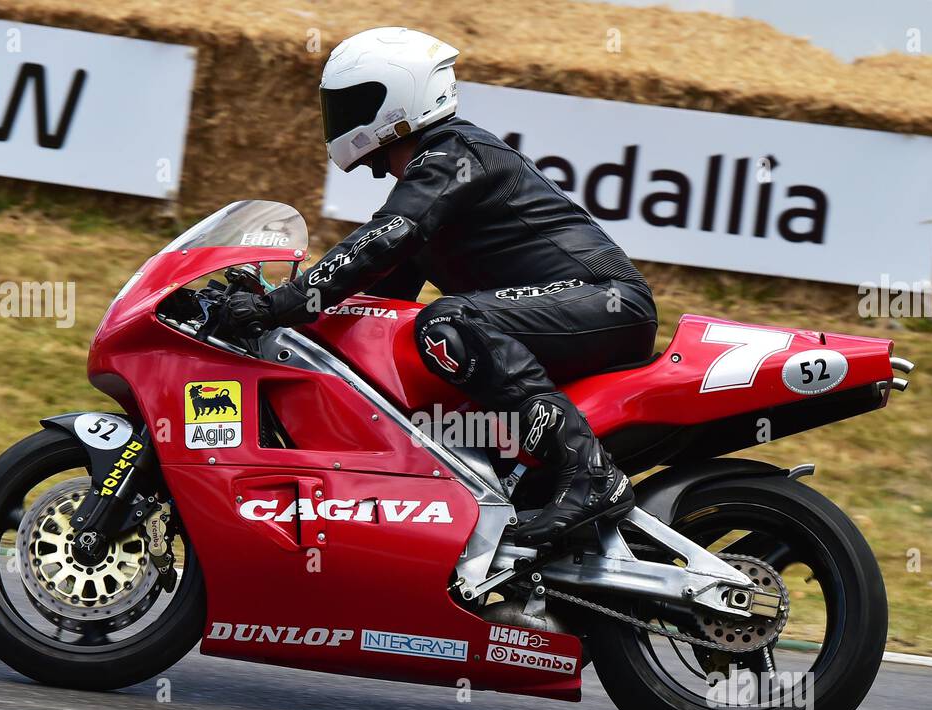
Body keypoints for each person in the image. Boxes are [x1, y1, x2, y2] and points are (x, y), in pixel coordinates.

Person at [223, 26, 657, 546]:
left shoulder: (454, 152)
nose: (339, 117)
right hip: (566, 312)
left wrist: (278, 304)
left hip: (603, 299)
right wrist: (275, 322)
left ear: (400, 97)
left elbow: (386, 237)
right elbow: (376, 296)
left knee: (448, 320)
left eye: (353, 101)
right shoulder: (427, 184)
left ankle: (592, 475)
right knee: (411, 335)